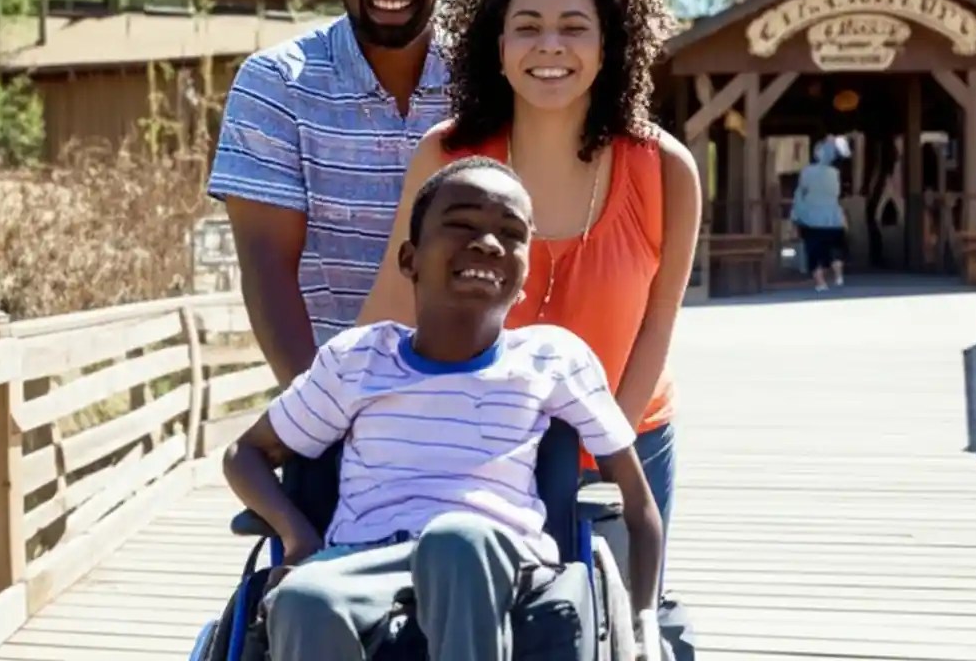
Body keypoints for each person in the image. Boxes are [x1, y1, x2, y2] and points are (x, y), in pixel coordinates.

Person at [355, 0, 700, 599]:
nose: (550, 47)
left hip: (626, 438)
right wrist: (325, 418)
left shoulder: (666, 169)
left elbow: (658, 328)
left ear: (610, 44)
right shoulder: (446, 155)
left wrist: (603, 451)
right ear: (497, 44)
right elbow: (393, 306)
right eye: (527, 28)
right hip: (472, 440)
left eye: (574, 28)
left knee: (618, 619)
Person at [223, 157, 664, 661]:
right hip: (365, 559)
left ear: (523, 276)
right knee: (304, 598)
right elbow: (244, 454)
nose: (488, 243)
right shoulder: (357, 359)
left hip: (495, 556)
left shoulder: (552, 358)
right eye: (460, 224)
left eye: (511, 233)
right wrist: (297, 537)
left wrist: (644, 618)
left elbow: (638, 502)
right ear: (409, 259)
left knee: (454, 538)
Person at [205, 0, 452, 388]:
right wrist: (321, 415)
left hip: (481, 408)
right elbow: (268, 271)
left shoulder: (489, 82)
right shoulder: (275, 85)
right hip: (334, 399)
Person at [791, 135, 850, 291]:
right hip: (832, 217)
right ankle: (838, 276)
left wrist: (795, 215)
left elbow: (800, 194)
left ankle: (821, 283)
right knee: (836, 249)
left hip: (812, 219)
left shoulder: (806, 172)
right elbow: (836, 194)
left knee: (814, 252)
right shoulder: (834, 174)